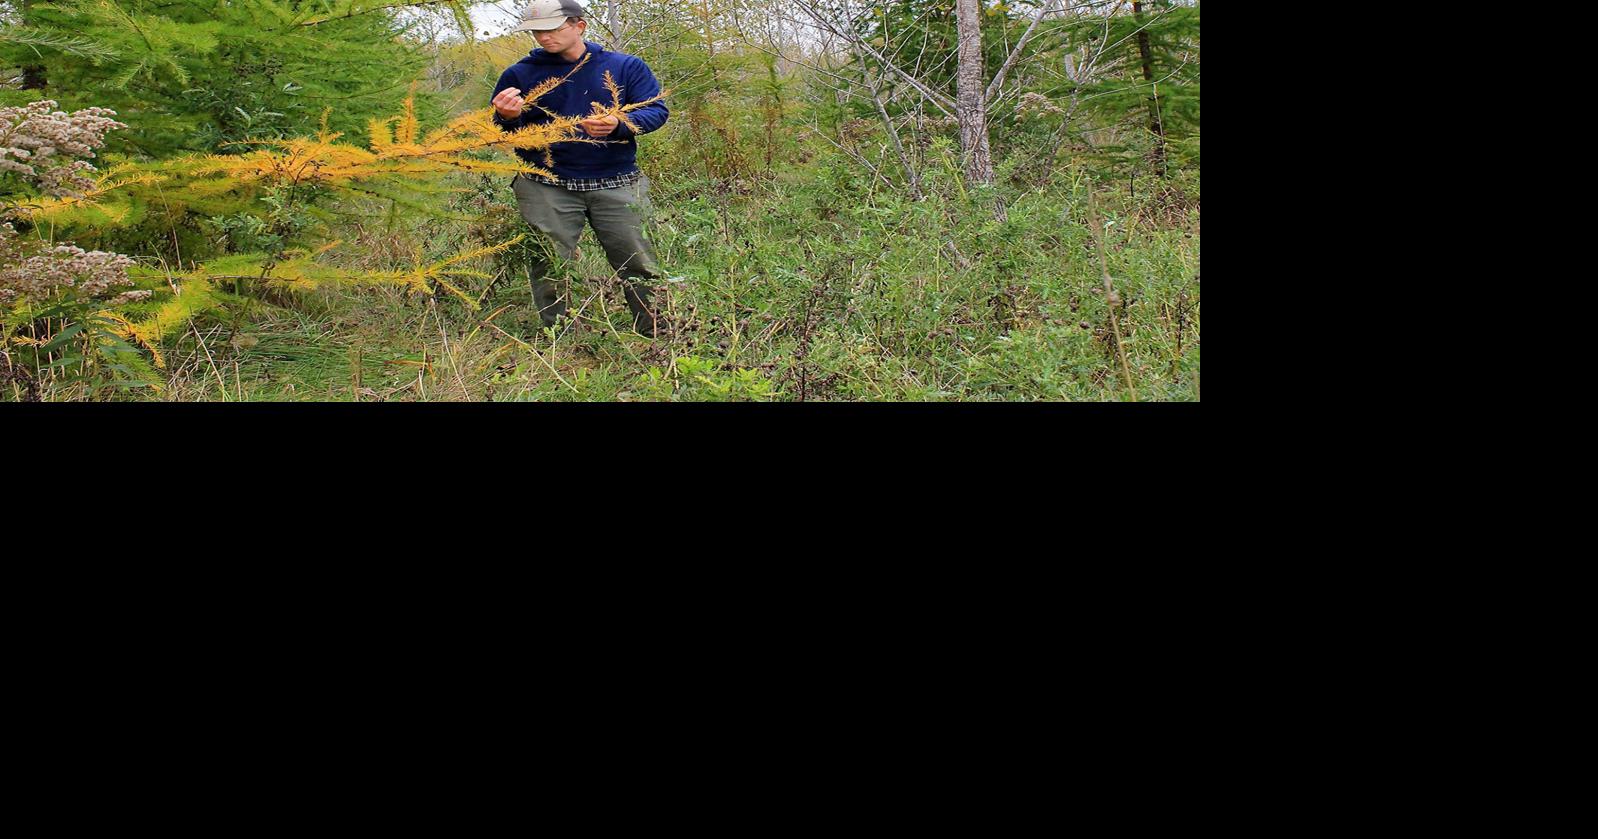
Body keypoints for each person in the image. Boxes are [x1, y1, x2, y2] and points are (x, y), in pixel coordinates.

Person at [491, 0, 671, 337]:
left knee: (639, 263)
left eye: (552, 28)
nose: (543, 37)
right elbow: (501, 131)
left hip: (617, 181)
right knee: (549, 265)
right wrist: (507, 117)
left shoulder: (625, 67)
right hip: (545, 185)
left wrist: (620, 123)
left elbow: (656, 112)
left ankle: (656, 334)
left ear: (579, 26)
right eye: (536, 30)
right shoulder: (519, 74)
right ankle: (561, 338)